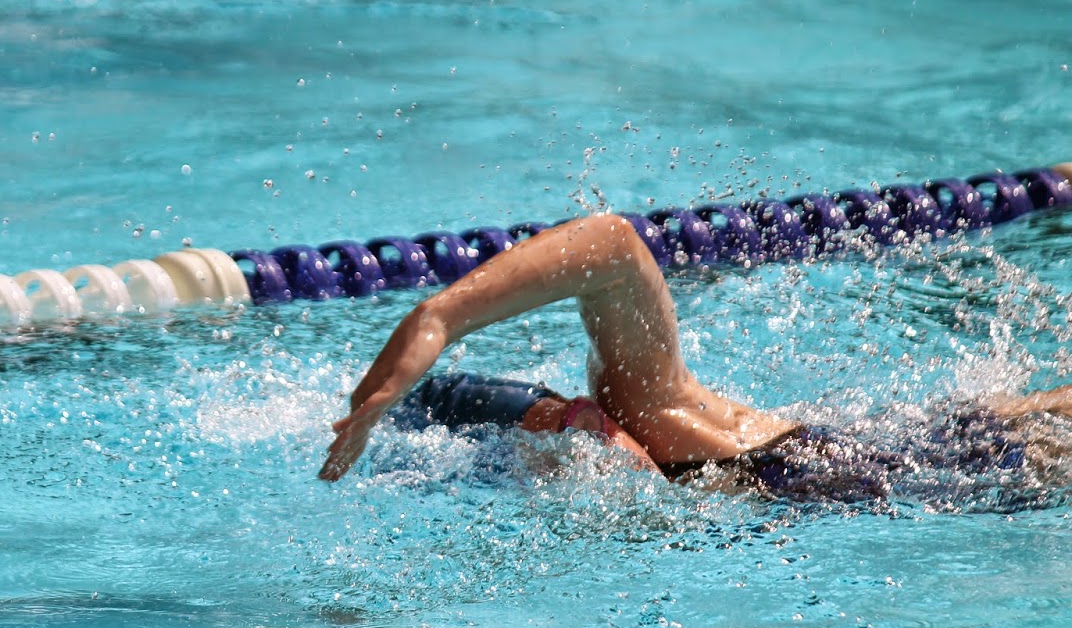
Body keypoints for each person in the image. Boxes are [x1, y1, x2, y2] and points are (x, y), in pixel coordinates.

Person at [318, 212, 1072, 501]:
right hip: (941, 454)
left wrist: (440, 316)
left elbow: (612, 245)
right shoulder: (636, 488)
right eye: (571, 439)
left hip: (987, 450)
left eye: (579, 421)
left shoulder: (654, 412)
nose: (598, 442)